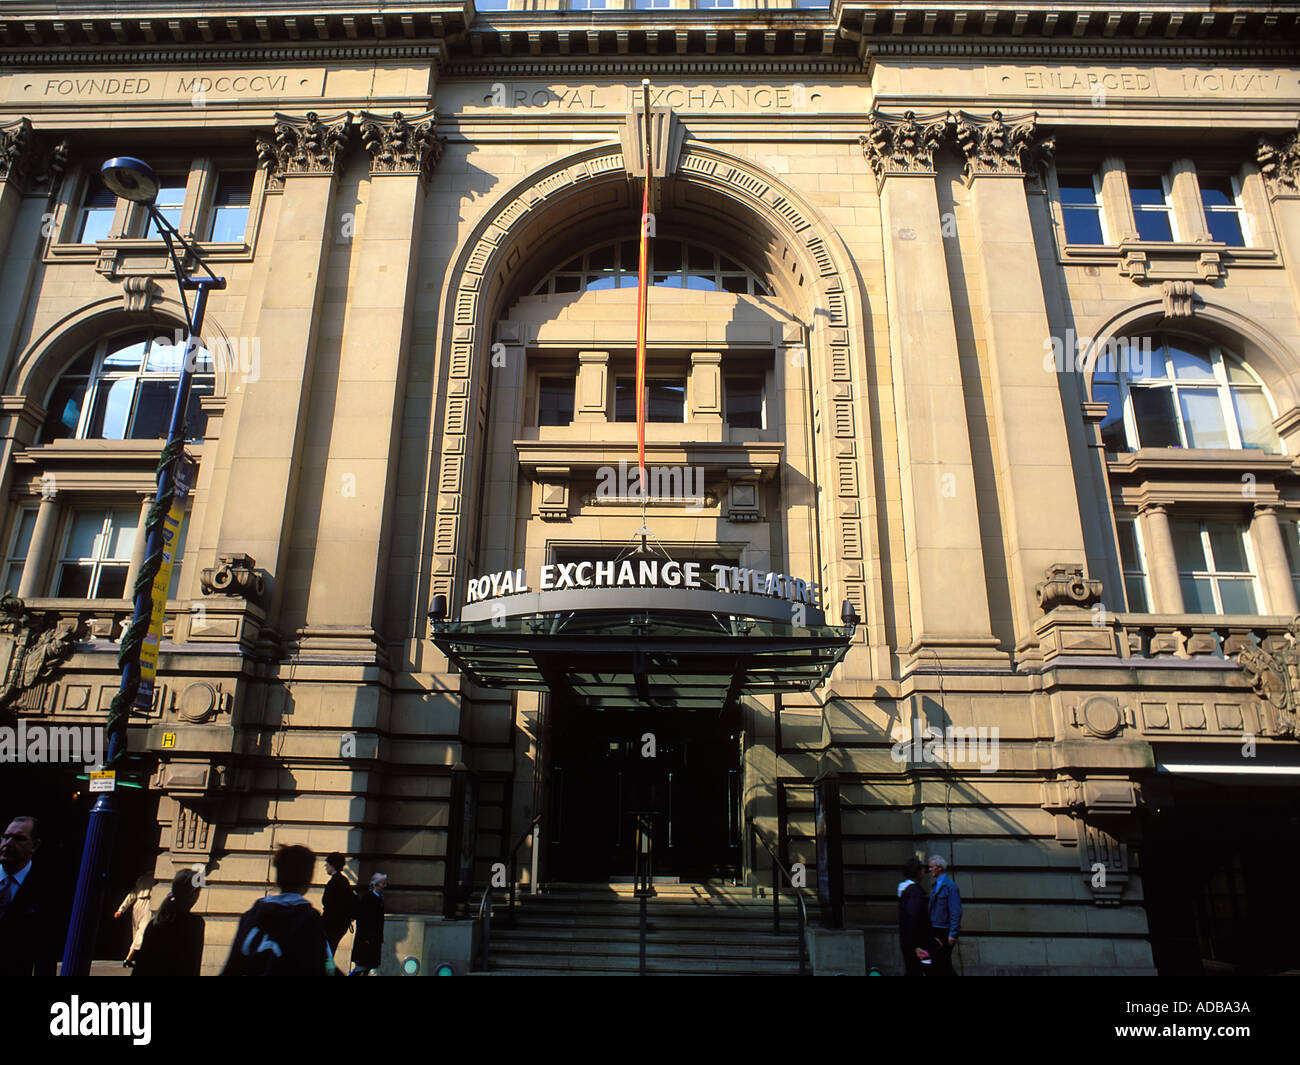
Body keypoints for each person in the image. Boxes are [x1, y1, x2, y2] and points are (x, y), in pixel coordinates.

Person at [221, 844, 334, 976]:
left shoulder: (251, 916)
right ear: (308, 878)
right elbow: (318, 967)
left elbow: (232, 967)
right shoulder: (308, 918)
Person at [0, 815, 57, 976]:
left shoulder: (45, 892)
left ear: (35, 845)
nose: (8, 844)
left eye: (18, 839)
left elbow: (45, 956)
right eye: (5, 837)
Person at [133, 868, 205, 977]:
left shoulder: (156, 922)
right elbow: (192, 965)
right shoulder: (194, 924)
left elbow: (142, 963)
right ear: (193, 893)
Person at [927, 854, 962, 976]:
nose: (929, 869)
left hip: (944, 931)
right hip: (935, 929)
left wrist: (953, 933)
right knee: (939, 964)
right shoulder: (935, 886)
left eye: (932, 867)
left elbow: (955, 911)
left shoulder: (951, 887)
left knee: (942, 964)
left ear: (940, 868)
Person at [349, 872, 387, 976]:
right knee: (361, 968)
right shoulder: (368, 899)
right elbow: (364, 920)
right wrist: (366, 938)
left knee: (367, 968)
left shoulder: (378, 898)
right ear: (375, 884)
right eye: (382, 884)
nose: (384, 886)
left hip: (373, 939)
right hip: (367, 940)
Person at [897, 856, 930, 976]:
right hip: (918, 945)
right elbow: (913, 919)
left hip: (912, 944)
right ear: (917, 872)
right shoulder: (914, 892)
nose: (924, 872)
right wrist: (916, 946)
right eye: (922, 869)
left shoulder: (908, 891)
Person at [321, 852, 356, 958]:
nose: (326, 866)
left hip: (331, 924)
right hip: (340, 924)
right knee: (329, 953)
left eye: (327, 864)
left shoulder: (334, 882)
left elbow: (327, 902)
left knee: (326, 955)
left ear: (333, 865)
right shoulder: (343, 881)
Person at [115, 875, 153, 968]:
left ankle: (129, 958)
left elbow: (132, 894)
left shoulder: (141, 879)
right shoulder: (150, 878)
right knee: (139, 933)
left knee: (140, 932)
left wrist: (121, 909)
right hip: (145, 904)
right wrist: (121, 909)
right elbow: (132, 894)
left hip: (139, 903)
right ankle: (131, 958)